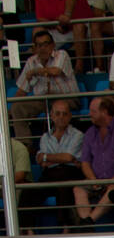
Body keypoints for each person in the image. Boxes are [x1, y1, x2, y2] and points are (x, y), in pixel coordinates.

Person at [72, 95, 114, 225]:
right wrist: (93, 180)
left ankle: (89, 222)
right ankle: (86, 221)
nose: (89, 114)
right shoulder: (90, 132)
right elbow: (85, 161)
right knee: (79, 189)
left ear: (105, 112)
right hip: (96, 178)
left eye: (93, 111)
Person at [9, 28, 78, 141]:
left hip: (66, 98)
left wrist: (35, 72)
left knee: (57, 106)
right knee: (17, 107)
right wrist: (11, 109)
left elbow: (55, 71)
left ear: (52, 45)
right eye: (39, 45)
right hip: (42, 100)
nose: (42, 48)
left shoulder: (62, 55)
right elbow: (22, 90)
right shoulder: (31, 62)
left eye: (45, 44)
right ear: (34, 48)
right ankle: (25, 145)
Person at [31, 98, 84, 230]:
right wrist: (60, 158)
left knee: (64, 187)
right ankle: (27, 230)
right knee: (30, 191)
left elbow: (68, 157)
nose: (61, 117)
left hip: (70, 172)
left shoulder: (78, 135)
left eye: (65, 114)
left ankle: (66, 228)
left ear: (70, 116)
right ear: (52, 116)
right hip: (50, 173)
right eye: (58, 113)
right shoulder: (45, 137)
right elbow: (40, 160)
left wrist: (47, 158)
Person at [34, 0, 92, 75]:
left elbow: (70, 1)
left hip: (83, 25)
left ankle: (79, 67)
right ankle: (40, 69)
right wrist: (56, 24)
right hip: (59, 28)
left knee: (78, 26)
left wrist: (66, 15)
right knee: (37, 31)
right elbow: (40, 19)